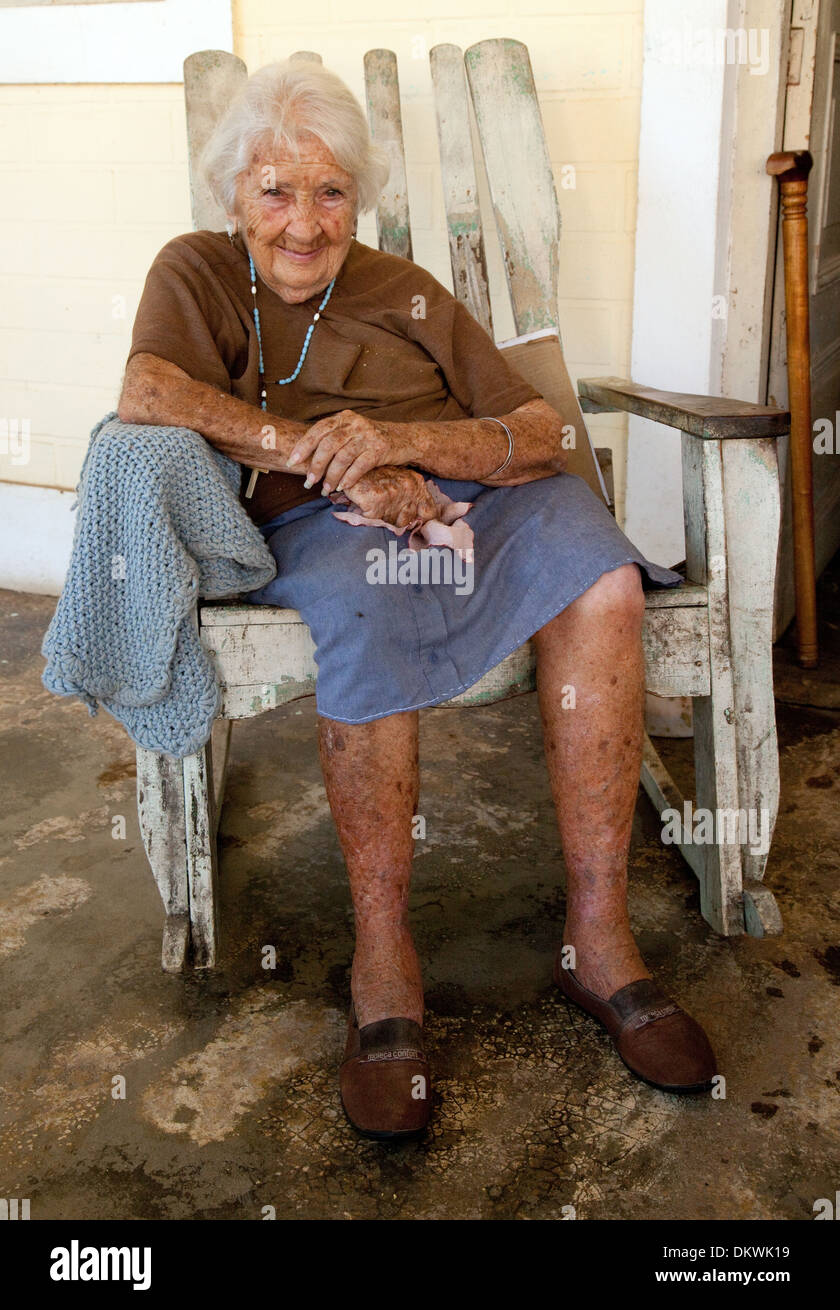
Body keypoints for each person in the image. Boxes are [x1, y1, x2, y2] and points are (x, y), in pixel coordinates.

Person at [118, 59, 716, 1139]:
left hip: (476, 492)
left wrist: (402, 444)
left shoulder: (406, 292)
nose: (305, 222)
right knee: (371, 602)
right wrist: (328, 457)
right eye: (277, 191)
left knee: (607, 579)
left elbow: (534, 433)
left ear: (362, 198)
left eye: (332, 191)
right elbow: (150, 391)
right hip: (327, 520)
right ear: (232, 195)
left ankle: (600, 935)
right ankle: (385, 961)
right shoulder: (197, 272)